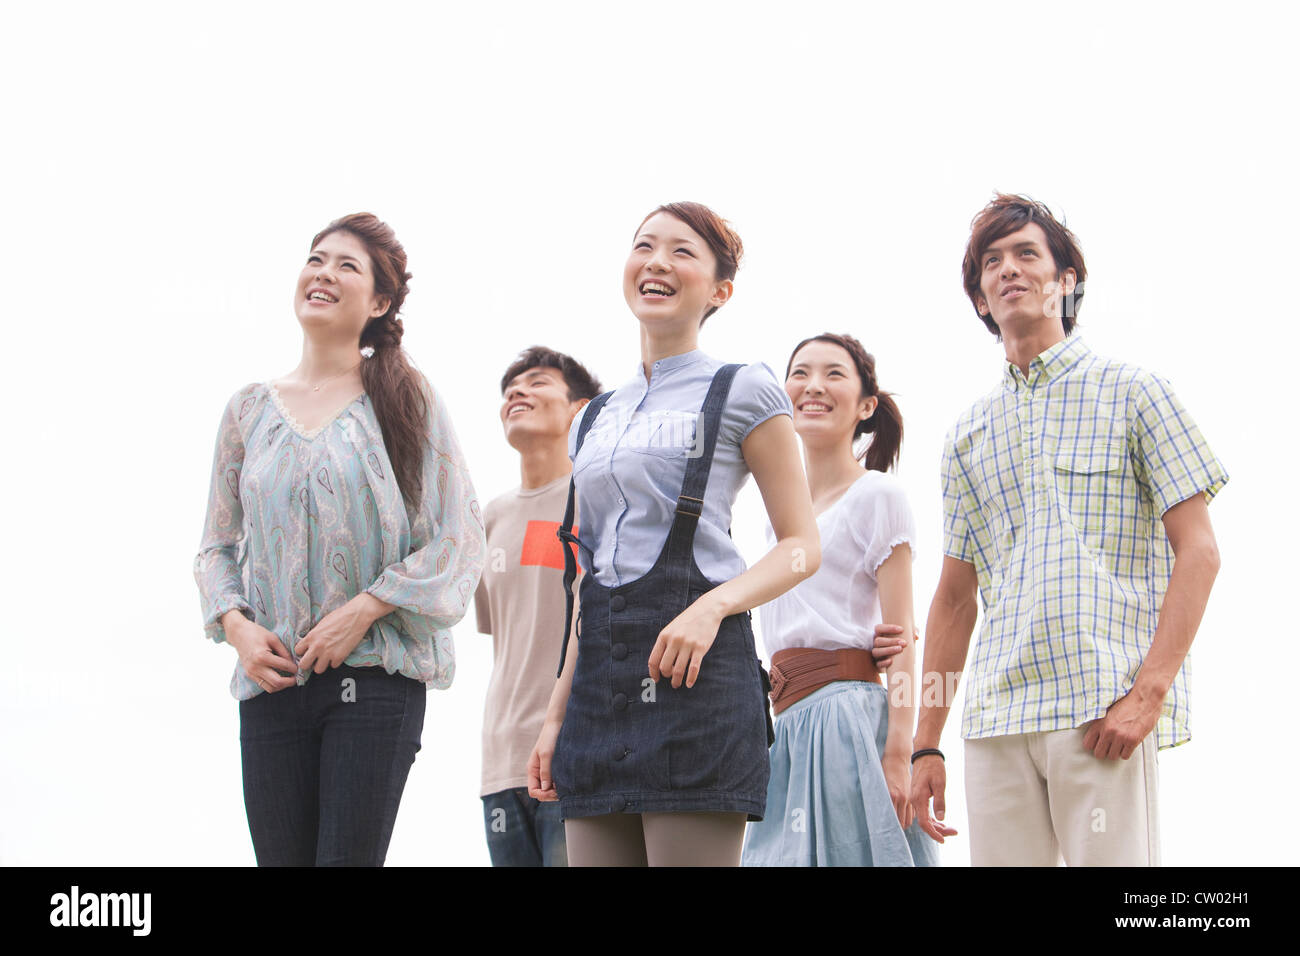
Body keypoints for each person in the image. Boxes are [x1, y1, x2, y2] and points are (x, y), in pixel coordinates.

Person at [910, 194, 1226, 866]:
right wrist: (926, 741)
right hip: (995, 721)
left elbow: (1199, 553)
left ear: (1066, 281)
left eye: (1027, 254)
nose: (1009, 271)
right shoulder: (966, 435)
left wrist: (1149, 694)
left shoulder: (1136, 391)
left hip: (1099, 708)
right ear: (979, 300)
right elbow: (954, 599)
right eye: (991, 263)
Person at [526, 201, 821, 866]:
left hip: (697, 684)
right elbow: (588, 577)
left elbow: (802, 545)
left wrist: (713, 606)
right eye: (644, 246)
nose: (657, 262)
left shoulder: (744, 388)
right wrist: (553, 718)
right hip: (599, 693)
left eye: (682, 251)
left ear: (720, 290)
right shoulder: (592, 417)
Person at [193, 213, 485, 866]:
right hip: (270, 690)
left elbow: (458, 536)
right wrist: (237, 628)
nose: (323, 272)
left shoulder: (408, 399)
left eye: (346, 265)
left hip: (374, 683)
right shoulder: (248, 410)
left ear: (380, 302)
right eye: (316, 258)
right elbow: (214, 547)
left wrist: (364, 609)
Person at [742, 333, 938, 866]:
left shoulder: (878, 495)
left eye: (833, 374)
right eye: (800, 373)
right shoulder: (778, 517)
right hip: (786, 729)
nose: (813, 385)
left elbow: (901, 638)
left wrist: (898, 755)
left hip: (848, 720)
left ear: (866, 405)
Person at [475, 346, 602, 867]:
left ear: (580, 408)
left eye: (537, 382)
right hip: (501, 757)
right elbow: (505, 633)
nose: (517, 394)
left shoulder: (595, 496)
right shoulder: (491, 516)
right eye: (510, 388)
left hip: (576, 749)